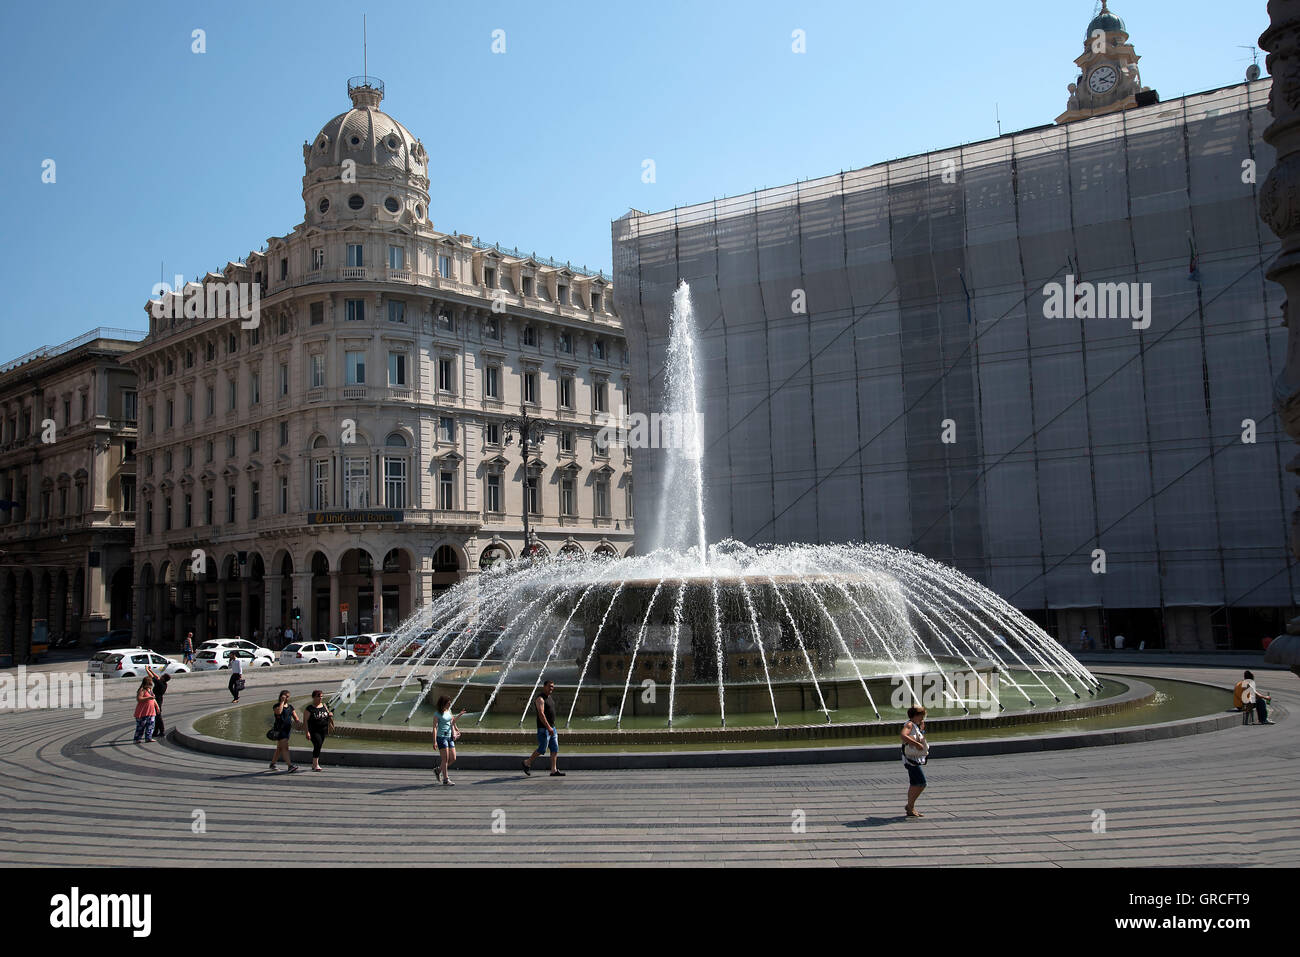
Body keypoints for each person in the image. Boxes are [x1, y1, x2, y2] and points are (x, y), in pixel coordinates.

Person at [522, 679, 564, 777]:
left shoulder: (549, 697)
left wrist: (552, 727)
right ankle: (526, 762)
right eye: (549, 686)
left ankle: (554, 770)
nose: (551, 688)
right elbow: (541, 714)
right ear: (544, 686)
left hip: (552, 728)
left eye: (552, 686)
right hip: (544, 729)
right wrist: (548, 727)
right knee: (542, 749)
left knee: (555, 749)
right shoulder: (540, 699)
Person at [901, 705, 929, 818]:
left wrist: (921, 730)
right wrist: (916, 744)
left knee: (915, 783)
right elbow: (903, 735)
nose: (922, 719)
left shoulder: (915, 726)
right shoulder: (909, 724)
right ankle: (910, 806)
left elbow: (916, 737)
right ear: (915, 716)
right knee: (921, 783)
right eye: (921, 716)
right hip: (910, 760)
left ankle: (910, 807)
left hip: (913, 759)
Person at [434, 695, 467, 786]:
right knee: (445, 759)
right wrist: (434, 741)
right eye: (448, 703)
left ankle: (439, 770)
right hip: (441, 738)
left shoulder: (449, 711)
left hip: (449, 737)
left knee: (453, 758)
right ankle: (446, 779)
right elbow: (434, 728)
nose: (450, 704)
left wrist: (456, 730)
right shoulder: (437, 714)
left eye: (450, 702)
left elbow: (452, 721)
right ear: (443, 703)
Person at [269, 689, 302, 772]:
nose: (287, 698)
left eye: (288, 697)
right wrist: (282, 702)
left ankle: (272, 764)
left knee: (280, 748)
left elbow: (296, 717)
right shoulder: (277, 706)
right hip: (280, 730)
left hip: (287, 730)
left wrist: (298, 724)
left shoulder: (290, 707)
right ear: (281, 697)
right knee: (285, 748)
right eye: (286, 697)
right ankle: (290, 766)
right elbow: (279, 712)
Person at [302, 689, 332, 771]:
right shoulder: (309, 708)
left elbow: (327, 714)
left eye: (321, 696)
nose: (320, 698)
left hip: (323, 730)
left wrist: (330, 714)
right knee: (318, 744)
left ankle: (314, 764)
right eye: (318, 696)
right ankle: (316, 764)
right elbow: (305, 721)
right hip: (314, 730)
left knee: (318, 746)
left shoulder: (324, 706)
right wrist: (307, 732)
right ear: (313, 697)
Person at [145, 666, 171, 738]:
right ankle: (155, 732)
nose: (160, 676)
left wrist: (147, 670)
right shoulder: (164, 684)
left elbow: (152, 676)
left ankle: (162, 731)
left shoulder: (159, 683)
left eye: (162, 676)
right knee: (156, 716)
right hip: (159, 699)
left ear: (163, 678)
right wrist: (151, 670)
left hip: (157, 700)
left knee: (158, 717)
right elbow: (156, 676)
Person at [134, 676, 159, 744]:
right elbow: (139, 699)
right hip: (143, 712)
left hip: (151, 711)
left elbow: (153, 699)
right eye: (149, 684)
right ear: (145, 684)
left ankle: (148, 738)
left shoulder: (150, 690)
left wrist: (157, 707)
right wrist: (148, 698)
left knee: (151, 725)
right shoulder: (142, 690)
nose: (151, 685)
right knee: (141, 726)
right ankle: (137, 739)